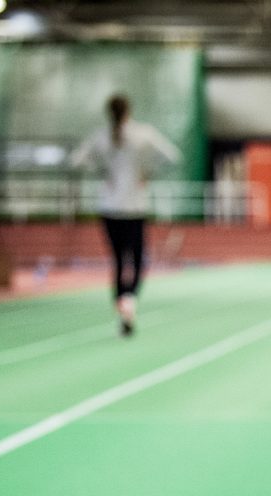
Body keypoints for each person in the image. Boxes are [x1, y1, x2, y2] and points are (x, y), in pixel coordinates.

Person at [69, 94, 181, 336]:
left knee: (119, 261)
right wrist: (147, 172)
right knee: (138, 261)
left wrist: (102, 171)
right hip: (134, 208)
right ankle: (129, 300)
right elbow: (172, 156)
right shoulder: (144, 134)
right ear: (129, 110)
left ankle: (122, 305)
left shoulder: (100, 137)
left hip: (109, 208)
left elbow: (76, 160)